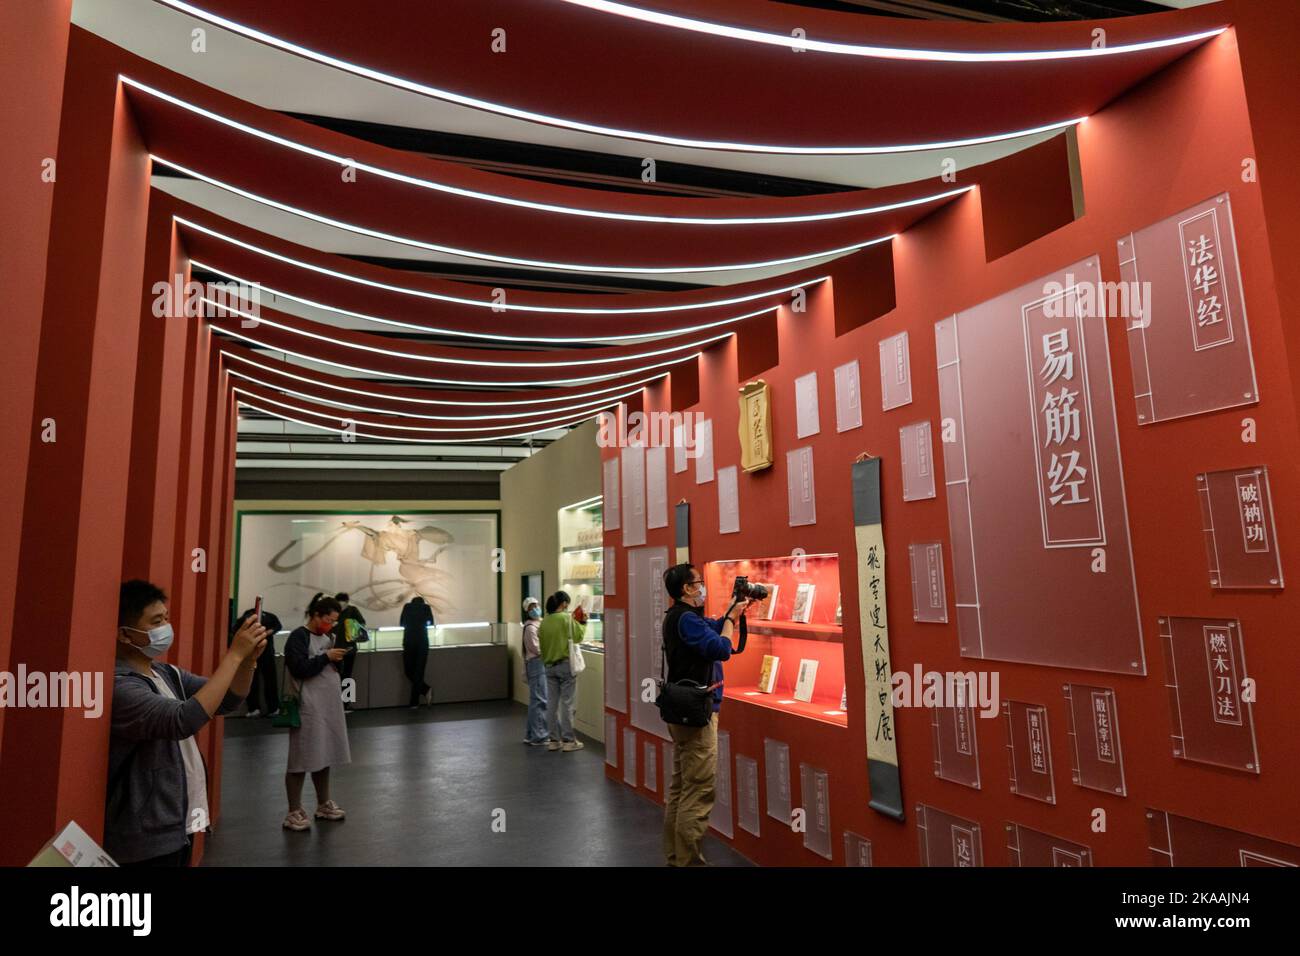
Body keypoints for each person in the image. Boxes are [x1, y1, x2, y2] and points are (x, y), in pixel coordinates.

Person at [107, 579, 268, 866]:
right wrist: (234, 655)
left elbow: (228, 700)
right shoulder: (121, 686)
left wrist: (247, 662)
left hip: (182, 822)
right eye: (156, 622)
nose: (165, 628)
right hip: (147, 836)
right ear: (124, 634)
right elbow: (184, 719)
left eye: (166, 619)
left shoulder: (166, 673)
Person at [660, 564, 748, 867]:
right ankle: (688, 861)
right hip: (696, 714)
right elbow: (721, 648)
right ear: (686, 588)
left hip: (680, 712)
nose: (702, 587)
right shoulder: (686, 619)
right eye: (698, 582)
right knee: (698, 791)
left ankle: (675, 857)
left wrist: (732, 612)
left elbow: (712, 628)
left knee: (681, 787)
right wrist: (732, 621)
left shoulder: (678, 617)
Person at [282, 593, 350, 831]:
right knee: (299, 759)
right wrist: (326, 657)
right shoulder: (298, 637)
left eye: (334, 622)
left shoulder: (330, 637)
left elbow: (336, 666)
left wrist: (338, 655)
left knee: (324, 754)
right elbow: (299, 668)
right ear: (315, 615)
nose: (330, 625)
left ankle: (323, 803)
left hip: (327, 706)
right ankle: (294, 810)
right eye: (328, 620)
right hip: (307, 707)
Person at [538, 590, 585, 752]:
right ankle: (568, 740)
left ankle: (553, 740)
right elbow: (578, 637)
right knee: (567, 703)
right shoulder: (566, 618)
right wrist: (583, 623)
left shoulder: (544, 622)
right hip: (565, 665)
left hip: (549, 666)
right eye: (567, 603)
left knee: (551, 703)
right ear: (563, 603)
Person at [232, 605, 283, 718]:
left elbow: (235, 629)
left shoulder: (254, 616)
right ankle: (268, 708)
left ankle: (262, 708)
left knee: (263, 681)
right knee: (257, 681)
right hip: (257, 652)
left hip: (262, 652)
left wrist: (267, 632)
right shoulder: (250, 616)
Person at [520, 596, 548, 746]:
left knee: (535, 701)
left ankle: (531, 734)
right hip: (537, 664)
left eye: (536, 606)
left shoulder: (538, 624)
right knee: (539, 700)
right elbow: (536, 649)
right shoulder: (530, 628)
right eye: (531, 608)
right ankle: (539, 736)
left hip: (538, 664)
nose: (535, 609)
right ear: (527, 611)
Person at [332, 592, 365, 713]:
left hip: (338, 648)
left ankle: (341, 704)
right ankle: (345, 704)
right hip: (348, 648)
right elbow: (362, 623)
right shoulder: (352, 610)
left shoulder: (334, 611)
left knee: (340, 676)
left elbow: (361, 623)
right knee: (346, 675)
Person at [399, 595, 434, 708]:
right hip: (422, 643)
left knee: (409, 671)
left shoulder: (407, 607)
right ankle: (416, 700)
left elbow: (402, 623)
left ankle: (423, 692)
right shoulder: (426, 608)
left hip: (408, 642)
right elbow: (430, 622)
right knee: (419, 672)